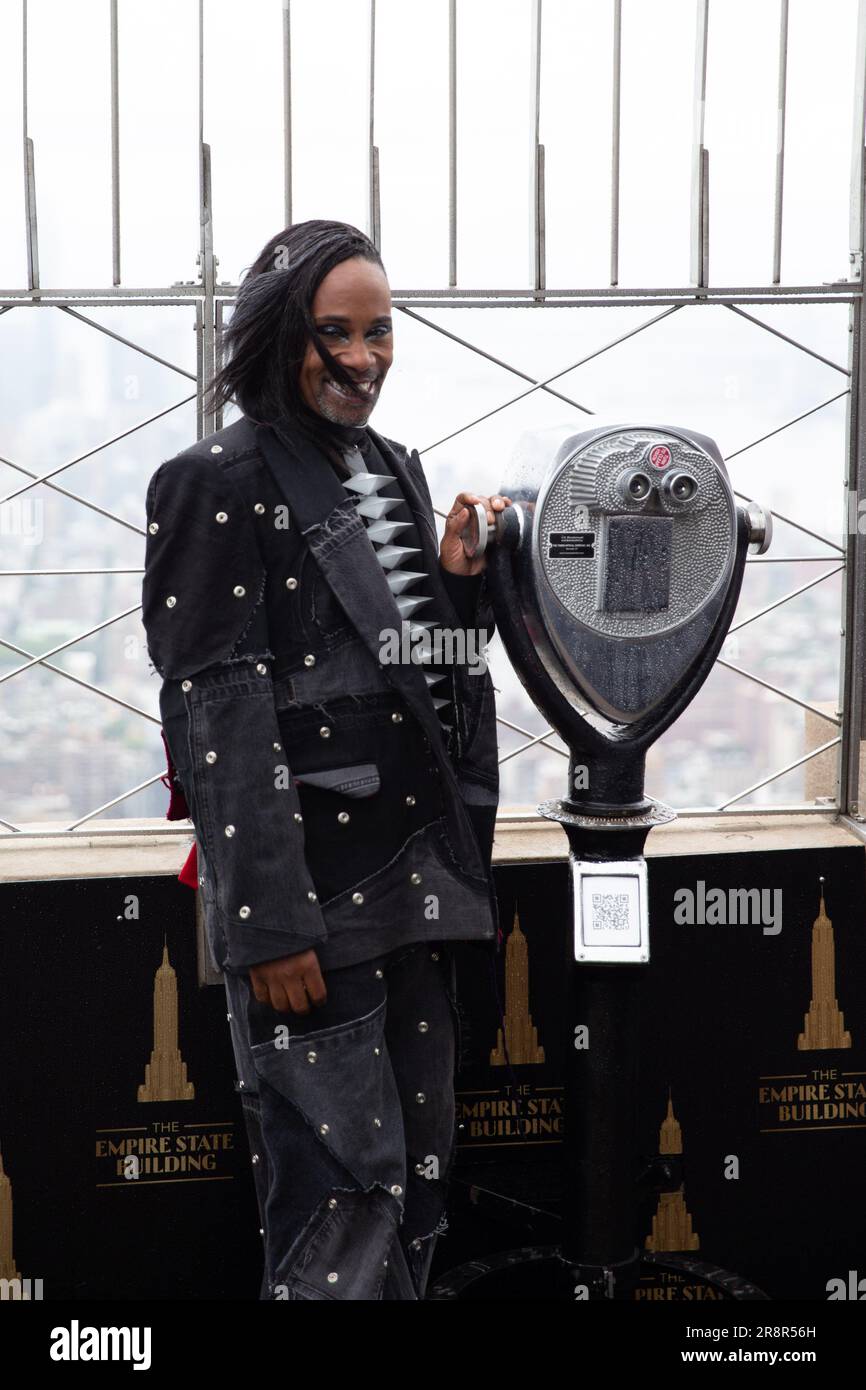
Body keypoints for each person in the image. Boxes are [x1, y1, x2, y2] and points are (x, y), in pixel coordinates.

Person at [141, 219, 510, 1301]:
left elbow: (419, 673)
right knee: (339, 1216)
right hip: (314, 913)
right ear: (277, 335)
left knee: (416, 1192)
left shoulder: (391, 467)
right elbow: (215, 708)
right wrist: (268, 926)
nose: (363, 354)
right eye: (334, 330)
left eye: (380, 329)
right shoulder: (214, 477)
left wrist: (455, 584)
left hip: (415, 893)